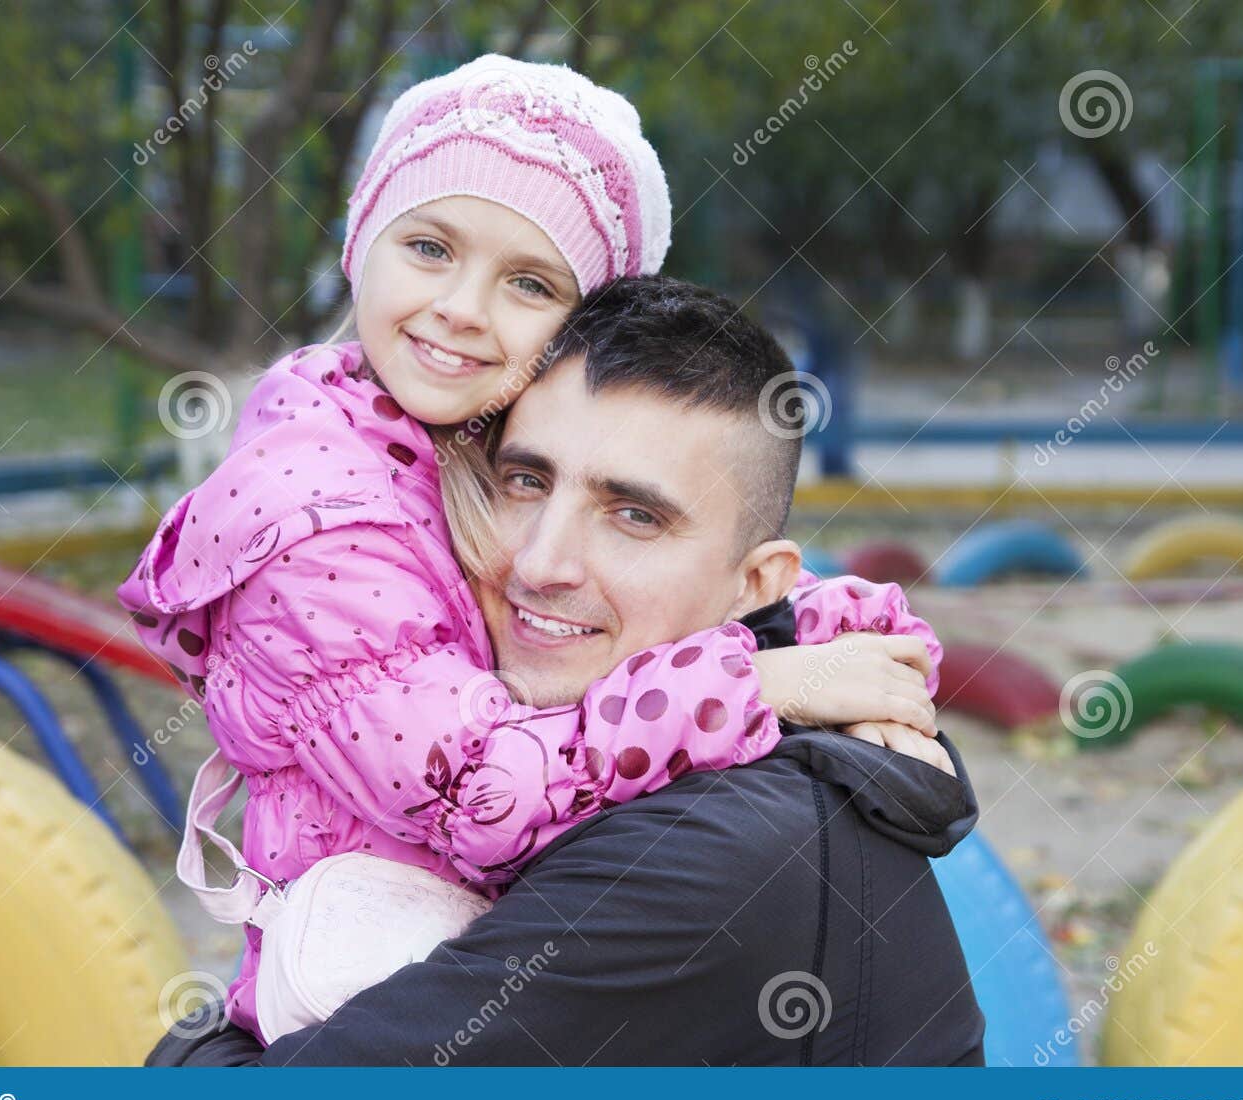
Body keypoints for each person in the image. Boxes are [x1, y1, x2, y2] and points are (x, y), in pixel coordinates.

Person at [117, 56, 947, 1046]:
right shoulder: (315, 509)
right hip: (357, 965)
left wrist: (868, 643)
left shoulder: (454, 438)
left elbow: (741, 578)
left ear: (574, 340)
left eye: (527, 281)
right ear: (359, 245)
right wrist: (764, 682)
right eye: (428, 245)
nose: (462, 306)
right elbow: (478, 788)